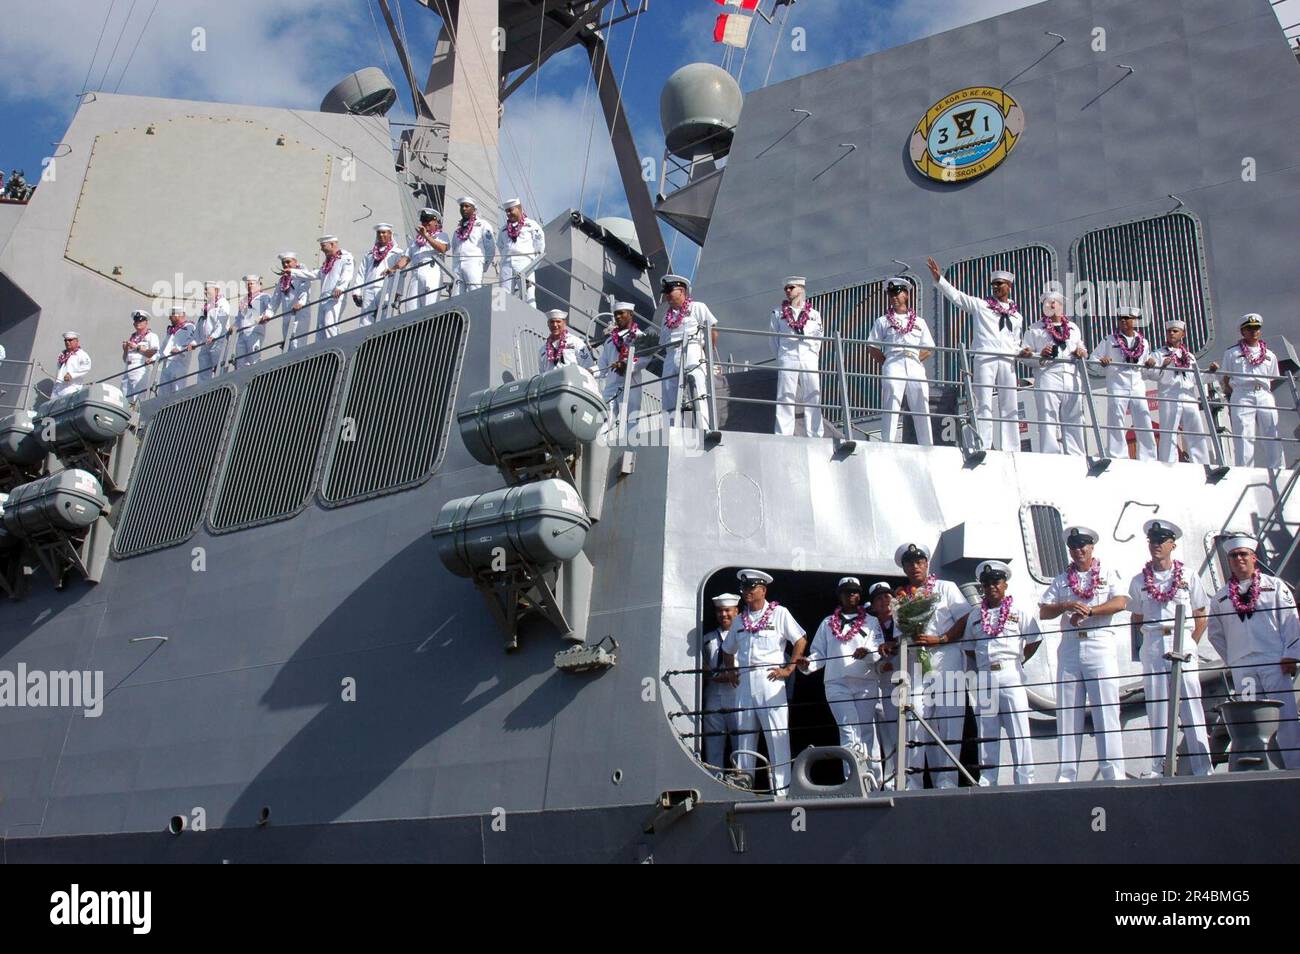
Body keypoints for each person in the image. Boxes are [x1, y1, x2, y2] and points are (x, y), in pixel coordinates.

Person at [1039, 525, 1127, 782]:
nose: (1078, 550)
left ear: (1091, 547)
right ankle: (1066, 775)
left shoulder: (1109, 573)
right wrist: (1065, 604)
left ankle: (1113, 773)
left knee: (1106, 709)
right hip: (1070, 647)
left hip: (1099, 643)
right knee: (1067, 712)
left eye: (1083, 546)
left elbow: (1120, 602)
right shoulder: (1060, 580)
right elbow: (1044, 611)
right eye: (1074, 547)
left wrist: (1091, 611)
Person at [1126, 519, 1213, 777]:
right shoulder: (1138, 580)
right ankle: (1159, 767)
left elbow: (1200, 614)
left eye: (1161, 541)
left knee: (1191, 705)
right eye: (1152, 541)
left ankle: (1202, 768)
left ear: (1172, 544)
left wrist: (1191, 643)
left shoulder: (1188, 576)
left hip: (1182, 639)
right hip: (1153, 642)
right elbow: (1136, 617)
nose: (1156, 545)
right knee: (1156, 706)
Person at [1206, 534, 1300, 769]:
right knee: (1249, 718)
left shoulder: (1275, 586)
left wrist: (1291, 654)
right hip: (1243, 665)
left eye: (1243, 554)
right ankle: (1257, 765)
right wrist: (1233, 659)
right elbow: (1215, 633)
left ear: (1254, 558)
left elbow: (1290, 621)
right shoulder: (1220, 597)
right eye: (1234, 556)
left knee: (1284, 715)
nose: (1239, 559)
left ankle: (1294, 765)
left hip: (1274, 659)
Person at [718, 569, 807, 797]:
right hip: (745, 680)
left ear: (763, 590)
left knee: (776, 734)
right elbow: (727, 650)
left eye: (751, 588)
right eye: (744, 588)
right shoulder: (739, 619)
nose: (746, 592)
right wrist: (731, 671)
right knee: (745, 734)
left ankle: (781, 789)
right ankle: (744, 783)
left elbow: (800, 639)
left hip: (770, 678)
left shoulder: (779, 613)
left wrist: (789, 668)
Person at [891, 542, 971, 788]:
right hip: (916, 662)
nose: (914, 567)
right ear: (904, 568)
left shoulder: (945, 588)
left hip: (946, 658)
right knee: (914, 718)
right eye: (909, 563)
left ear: (926, 564)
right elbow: (898, 634)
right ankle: (913, 781)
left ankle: (947, 779)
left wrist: (942, 638)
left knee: (949, 721)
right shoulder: (901, 598)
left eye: (919, 562)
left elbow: (965, 617)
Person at [959, 560, 1042, 786]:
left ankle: (1025, 779)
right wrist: (985, 665)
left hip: (1010, 673)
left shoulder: (1019, 612)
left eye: (996, 582)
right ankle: (987, 778)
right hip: (986, 675)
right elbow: (969, 647)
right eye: (986, 584)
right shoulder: (976, 616)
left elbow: (1034, 639)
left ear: (1005, 584)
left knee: (1019, 729)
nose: (991, 587)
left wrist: (1019, 659)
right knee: (987, 730)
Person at [927, 258, 1023, 451]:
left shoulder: (1017, 316)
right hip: (985, 358)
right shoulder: (981, 305)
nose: (995, 287)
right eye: (993, 284)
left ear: (1009, 286)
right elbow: (958, 297)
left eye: (999, 284)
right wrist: (940, 280)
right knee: (983, 403)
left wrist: (1023, 351)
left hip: (1007, 360)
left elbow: (1015, 342)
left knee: (1009, 404)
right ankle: (983, 444)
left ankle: (1011, 447)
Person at [801, 577, 886, 783]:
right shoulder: (827, 623)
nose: (851, 596)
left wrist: (866, 653)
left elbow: (878, 651)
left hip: (865, 682)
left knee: (866, 731)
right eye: (847, 592)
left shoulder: (872, 621)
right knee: (848, 731)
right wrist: (807, 665)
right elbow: (818, 654)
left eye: (855, 592)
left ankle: (874, 781)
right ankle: (853, 780)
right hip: (837, 683)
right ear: (839, 595)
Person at [1019, 290, 1088, 455]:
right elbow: (1024, 355)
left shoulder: (1073, 328)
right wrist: (1040, 355)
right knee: (1048, 417)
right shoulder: (1034, 329)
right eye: (1047, 303)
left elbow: (1083, 348)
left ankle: (1076, 454)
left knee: (1074, 417)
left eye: (1054, 302)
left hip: (1071, 375)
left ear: (1061, 306)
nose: (1050, 305)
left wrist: (1081, 352)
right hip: (1048, 373)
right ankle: (1050, 453)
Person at [869, 278, 933, 445]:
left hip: (914, 362)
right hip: (893, 361)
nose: (893, 297)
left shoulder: (919, 322)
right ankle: (888, 442)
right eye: (891, 294)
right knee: (892, 401)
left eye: (897, 293)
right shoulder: (882, 321)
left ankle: (927, 444)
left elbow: (929, 347)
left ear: (906, 294)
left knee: (921, 401)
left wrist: (915, 359)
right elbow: (872, 346)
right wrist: (886, 362)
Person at [1145, 319, 1217, 464]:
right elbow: (1151, 375)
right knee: (1169, 431)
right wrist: (1162, 367)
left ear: (1182, 334)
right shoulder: (1158, 354)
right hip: (1170, 395)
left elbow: (1196, 378)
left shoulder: (1189, 356)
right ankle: (1168, 462)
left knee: (1195, 429)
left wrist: (1210, 372)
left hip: (1188, 395)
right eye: (1169, 331)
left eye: (1175, 331)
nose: (1171, 333)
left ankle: (1202, 462)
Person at [1092, 305, 1156, 460]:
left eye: (1127, 318)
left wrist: (1150, 363)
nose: (1123, 321)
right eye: (1120, 319)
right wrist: (1102, 361)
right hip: (1117, 383)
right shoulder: (1109, 340)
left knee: (1143, 417)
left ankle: (1149, 456)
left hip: (1137, 384)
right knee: (1116, 418)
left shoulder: (1144, 342)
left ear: (1134, 320)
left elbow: (1146, 366)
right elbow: (1092, 359)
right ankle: (1117, 455)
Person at [1221, 313, 1282, 468]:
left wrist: (1263, 390)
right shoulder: (1232, 353)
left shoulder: (1270, 355)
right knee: (1244, 433)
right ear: (1243, 332)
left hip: (1264, 393)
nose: (1253, 332)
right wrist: (1235, 391)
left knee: (1271, 431)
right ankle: (1244, 469)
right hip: (1242, 393)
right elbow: (1225, 378)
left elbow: (1273, 377)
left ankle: (1278, 468)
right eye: (1249, 329)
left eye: (1256, 328)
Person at [659, 274, 719, 429]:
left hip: (693, 348)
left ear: (681, 290)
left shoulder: (697, 307)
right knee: (669, 394)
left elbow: (712, 331)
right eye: (665, 293)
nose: (667, 296)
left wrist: (708, 354)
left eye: (669, 291)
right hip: (672, 354)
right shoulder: (666, 318)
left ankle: (703, 428)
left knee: (697, 389)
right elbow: (663, 341)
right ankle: (671, 431)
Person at [770, 276, 824, 437]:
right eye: (786, 288)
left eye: (791, 287)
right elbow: (773, 339)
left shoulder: (814, 314)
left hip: (808, 357)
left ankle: (815, 433)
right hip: (788, 355)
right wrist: (782, 357)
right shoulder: (777, 313)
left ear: (800, 289)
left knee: (813, 394)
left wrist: (813, 355)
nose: (787, 291)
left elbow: (819, 338)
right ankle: (783, 433)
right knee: (785, 395)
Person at [701, 593, 742, 773]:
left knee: (740, 744)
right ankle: (714, 777)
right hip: (713, 695)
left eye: (727, 610)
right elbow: (700, 663)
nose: (723, 614)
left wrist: (721, 676)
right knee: (713, 744)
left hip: (736, 694)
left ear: (736, 611)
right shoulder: (708, 638)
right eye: (719, 611)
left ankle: (742, 780)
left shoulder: (744, 635)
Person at [289, 235, 355, 343]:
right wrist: (292, 272)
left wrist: (340, 287)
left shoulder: (345, 258)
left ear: (332, 244)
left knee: (330, 323)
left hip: (335, 297)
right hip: (323, 297)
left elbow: (347, 273)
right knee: (321, 327)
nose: (322, 249)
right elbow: (313, 274)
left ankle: (334, 345)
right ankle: (322, 352)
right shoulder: (327, 263)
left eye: (323, 246)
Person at [598, 302, 645, 428]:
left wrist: (626, 365)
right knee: (603, 420)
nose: (617, 317)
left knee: (630, 422)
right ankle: (599, 444)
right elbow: (602, 365)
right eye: (615, 314)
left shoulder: (640, 337)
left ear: (631, 314)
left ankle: (628, 447)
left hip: (630, 385)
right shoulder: (609, 341)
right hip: (612, 386)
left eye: (621, 313)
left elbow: (644, 359)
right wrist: (588, 372)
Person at [396, 208, 450, 309]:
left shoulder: (441, 235)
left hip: (431, 272)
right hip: (416, 273)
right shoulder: (415, 242)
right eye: (423, 221)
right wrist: (393, 269)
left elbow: (442, 248)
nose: (426, 223)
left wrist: (426, 235)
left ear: (436, 222)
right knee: (411, 306)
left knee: (429, 305)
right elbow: (405, 259)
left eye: (428, 220)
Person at [353, 223, 404, 324]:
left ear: (390, 234)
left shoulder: (397, 253)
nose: (381, 235)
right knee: (366, 320)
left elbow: (400, 274)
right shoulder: (370, 254)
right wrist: (356, 292)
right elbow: (361, 273)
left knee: (385, 318)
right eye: (379, 233)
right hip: (369, 289)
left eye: (384, 232)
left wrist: (398, 292)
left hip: (386, 289)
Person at [498, 198, 545, 307]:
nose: (509, 214)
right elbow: (500, 245)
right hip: (506, 263)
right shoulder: (503, 229)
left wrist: (533, 265)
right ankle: (501, 319)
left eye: (511, 210)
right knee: (502, 294)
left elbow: (539, 245)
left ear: (519, 209)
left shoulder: (531, 225)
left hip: (524, 262)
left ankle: (532, 320)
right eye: (507, 212)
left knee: (528, 294)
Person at [449, 197, 495, 294]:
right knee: (456, 294)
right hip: (458, 264)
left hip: (473, 262)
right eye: (462, 206)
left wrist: (484, 265)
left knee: (474, 291)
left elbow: (490, 247)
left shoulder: (482, 224)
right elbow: (454, 248)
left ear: (474, 209)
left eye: (467, 206)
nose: (464, 209)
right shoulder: (458, 229)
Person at [271, 252, 313, 351]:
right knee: (287, 344)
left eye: (288, 262)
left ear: (295, 262)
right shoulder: (283, 280)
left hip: (300, 313)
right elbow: (275, 299)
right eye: (283, 263)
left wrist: (301, 302)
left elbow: (306, 288)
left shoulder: (302, 273)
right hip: (287, 315)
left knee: (297, 342)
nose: (285, 265)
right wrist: (268, 314)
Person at [234, 274, 273, 369]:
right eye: (247, 284)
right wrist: (234, 326)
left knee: (253, 356)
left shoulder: (264, 297)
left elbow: (270, 308)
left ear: (258, 285)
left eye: (251, 284)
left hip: (254, 330)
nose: (249, 286)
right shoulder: (244, 300)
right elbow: (239, 318)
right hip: (242, 332)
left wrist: (264, 316)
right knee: (240, 359)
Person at [156, 307, 196, 396]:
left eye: (171, 316)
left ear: (177, 315)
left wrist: (180, 351)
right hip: (167, 364)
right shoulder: (171, 330)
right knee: (163, 392)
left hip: (179, 363)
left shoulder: (189, 326)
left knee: (177, 390)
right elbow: (163, 347)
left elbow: (192, 342)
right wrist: (155, 358)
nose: (169, 318)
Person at [195, 281, 229, 380]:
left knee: (218, 366)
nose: (205, 292)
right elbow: (200, 323)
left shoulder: (222, 303)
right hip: (206, 341)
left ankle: (220, 386)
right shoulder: (206, 307)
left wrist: (214, 335)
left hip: (218, 340)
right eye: (204, 290)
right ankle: (202, 390)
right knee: (203, 366)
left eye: (207, 289)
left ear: (216, 290)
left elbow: (222, 320)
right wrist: (194, 341)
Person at [121, 310, 159, 399]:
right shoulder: (132, 337)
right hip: (128, 369)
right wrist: (125, 349)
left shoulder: (151, 336)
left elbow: (153, 352)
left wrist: (136, 347)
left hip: (140, 369)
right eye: (136, 321)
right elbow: (124, 359)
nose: (138, 323)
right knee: (124, 398)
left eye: (140, 320)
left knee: (137, 399)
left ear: (146, 322)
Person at [52, 331, 92, 399]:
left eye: (70, 340)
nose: (67, 342)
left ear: (76, 341)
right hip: (58, 389)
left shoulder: (81, 354)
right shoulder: (62, 355)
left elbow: (87, 367)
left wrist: (72, 375)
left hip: (71, 388)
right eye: (65, 340)